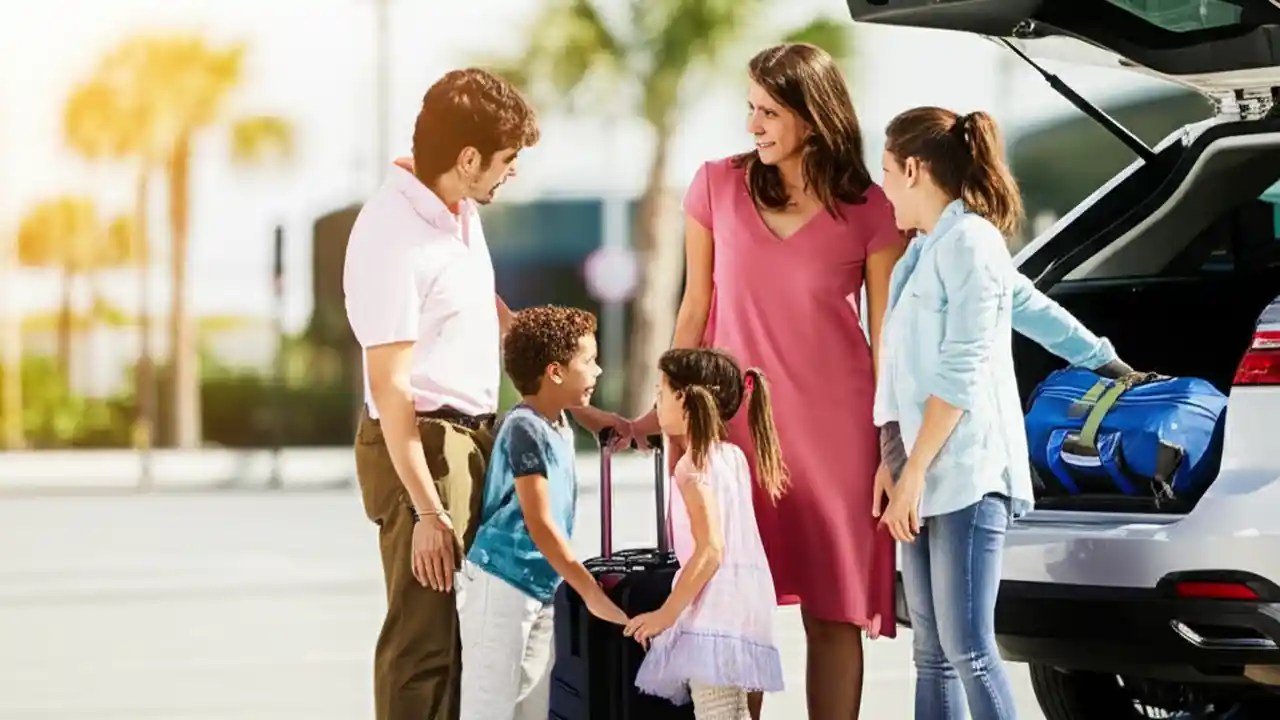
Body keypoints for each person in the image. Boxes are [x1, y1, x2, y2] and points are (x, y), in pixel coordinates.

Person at [630, 43, 905, 719]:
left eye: (769, 111)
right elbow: (693, 310)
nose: (753, 124)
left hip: (839, 434)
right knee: (732, 601)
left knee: (836, 610)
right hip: (733, 428)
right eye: (750, 108)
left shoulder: (871, 208)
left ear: (814, 116)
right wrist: (669, 417)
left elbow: (888, 339)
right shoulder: (715, 186)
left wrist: (893, 449)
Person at [343, 68, 628, 720]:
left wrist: (577, 409)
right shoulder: (391, 235)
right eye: (506, 160)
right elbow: (390, 390)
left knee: (475, 641)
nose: (513, 173)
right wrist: (427, 515)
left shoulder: (457, 211)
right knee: (428, 639)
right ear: (468, 158)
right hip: (425, 446)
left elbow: (494, 316)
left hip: (478, 437)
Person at [873, 106, 1132, 720]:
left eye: (885, 171)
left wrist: (1113, 369)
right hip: (919, 473)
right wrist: (892, 460)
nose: (881, 187)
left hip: (965, 475)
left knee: (970, 650)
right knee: (932, 654)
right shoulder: (925, 251)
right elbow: (1032, 312)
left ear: (914, 169)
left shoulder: (972, 244)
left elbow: (960, 371)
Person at [457, 305, 628, 720]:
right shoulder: (524, 428)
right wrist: (588, 590)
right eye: (588, 361)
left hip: (540, 586)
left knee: (532, 709)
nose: (598, 372)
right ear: (554, 372)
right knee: (489, 707)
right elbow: (540, 523)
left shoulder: (557, 424)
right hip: (502, 585)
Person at [626, 348, 786, 720]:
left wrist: (665, 615)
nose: (657, 402)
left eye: (661, 393)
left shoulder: (691, 468)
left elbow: (710, 550)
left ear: (683, 399)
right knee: (734, 711)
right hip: (745, 609)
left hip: (713, 611)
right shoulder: (731, 456)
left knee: (715, 710)